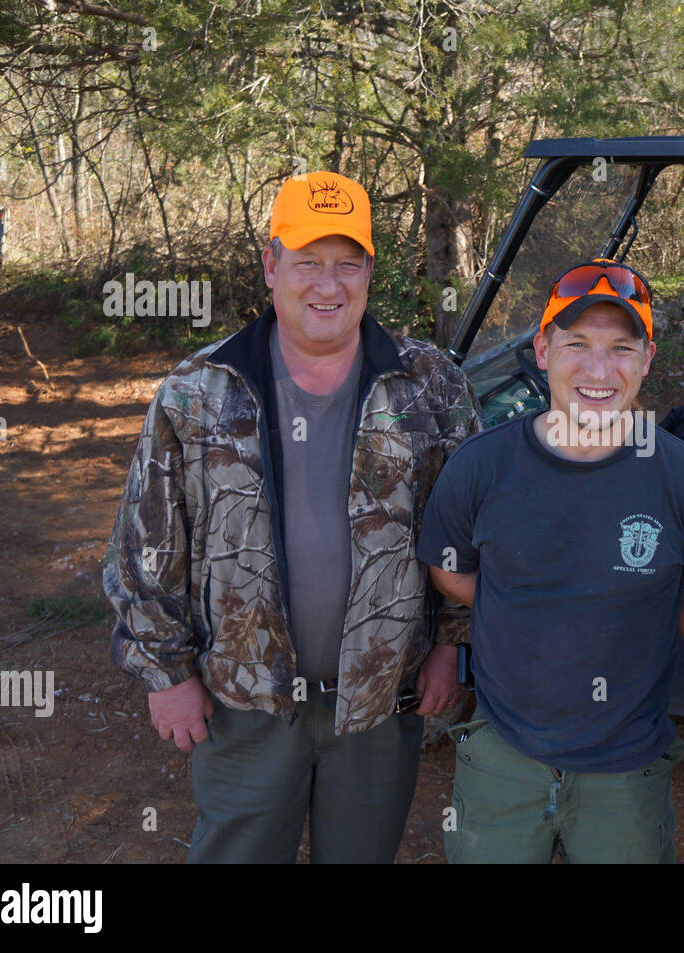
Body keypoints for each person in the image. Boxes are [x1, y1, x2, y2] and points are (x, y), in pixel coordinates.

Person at [103, 171, 480, 863]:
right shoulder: (199, 391)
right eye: (307, 262)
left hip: (376, 702)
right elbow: (147, 545)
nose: (327, 286)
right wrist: (168, 672)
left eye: (346, 264)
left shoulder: (431, 385)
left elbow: (465, 533)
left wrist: (452, 645)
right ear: (272, 264)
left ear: (370, 270)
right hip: (244, 703)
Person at [418, 259, 684, 863]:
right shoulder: (480, 466)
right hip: (504, 756)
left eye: (621, 348)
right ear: (543, 349)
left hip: (625, 770)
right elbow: (448, 568)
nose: (598, 369)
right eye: (577, 343)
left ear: (647, 358)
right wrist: (533, 607)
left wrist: (643, 613)